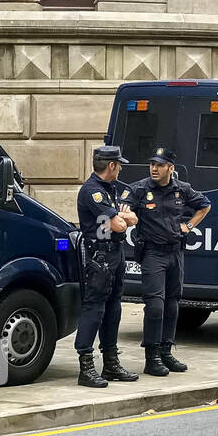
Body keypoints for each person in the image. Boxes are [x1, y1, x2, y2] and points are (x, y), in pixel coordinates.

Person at [131, 148, 211, 376]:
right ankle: (152, 356)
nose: (154, 169)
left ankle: (166, 351)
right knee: (155, 305)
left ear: (170, 168)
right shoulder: (140, 189)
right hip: (152, 254)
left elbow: (205, 205)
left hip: (175, 252)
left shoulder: (182, 190)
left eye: (159, 165)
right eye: (152, 164)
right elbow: (124, 209)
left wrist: (190, 226)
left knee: (172, 304)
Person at [75, 145, 139, 387]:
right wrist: (124, 218)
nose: (121, 168)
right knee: (95, 309)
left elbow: (132, 217)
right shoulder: (93, 191)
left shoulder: (111, 189)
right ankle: (86, 365)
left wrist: (126, 218)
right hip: (98, 258)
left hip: (116, 254)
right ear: (111, 166)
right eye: (119, 164)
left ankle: (110, 363)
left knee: (114, 308)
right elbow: (120, 225)